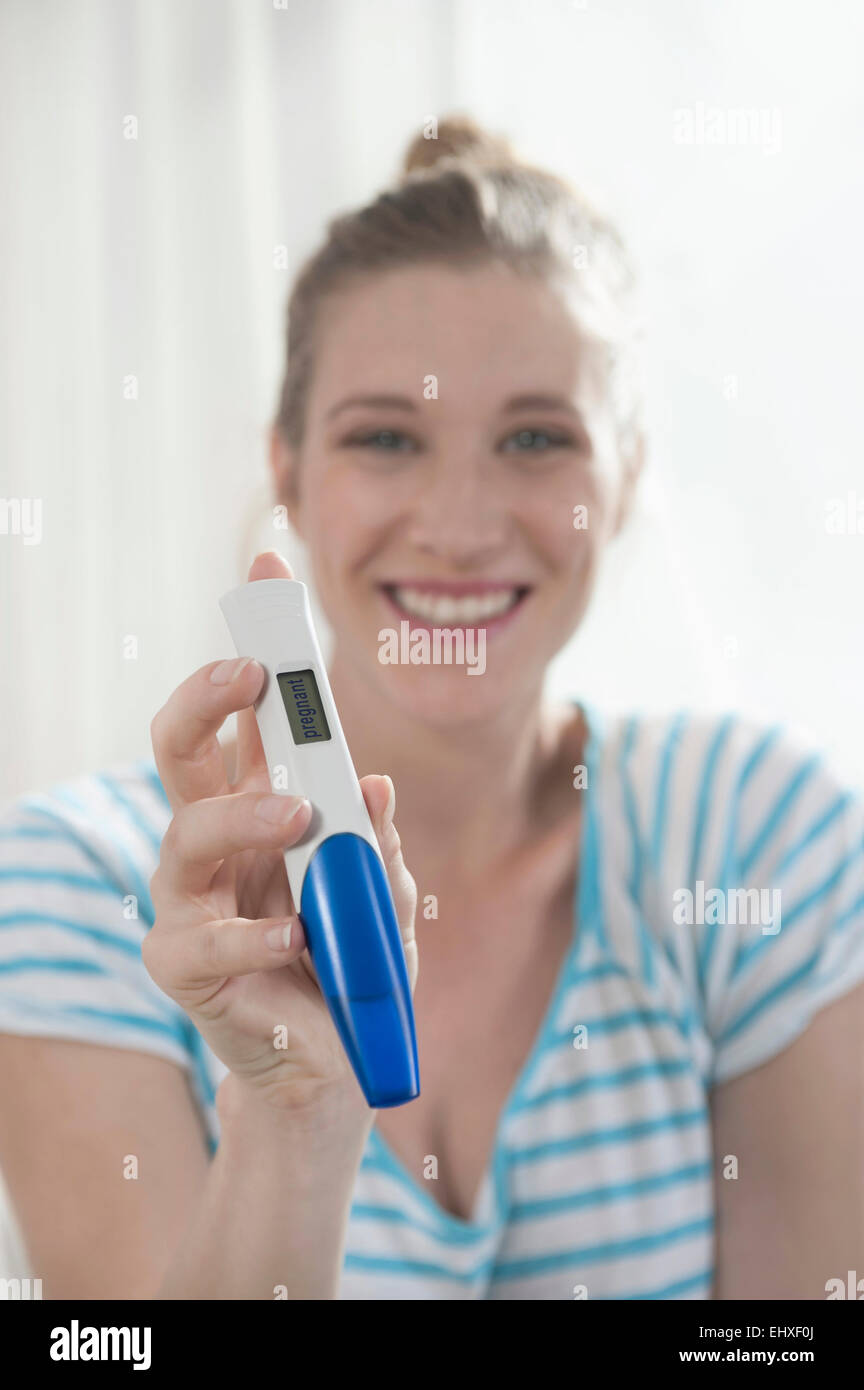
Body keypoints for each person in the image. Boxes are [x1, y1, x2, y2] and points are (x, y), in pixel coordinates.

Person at [0, 117, 862, 1302]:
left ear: (624, 482)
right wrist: (294, 1119)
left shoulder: (762, 838)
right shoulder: (74, 888)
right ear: (289, 475)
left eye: (534, 437)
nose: (459, 524)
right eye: (388, 438)